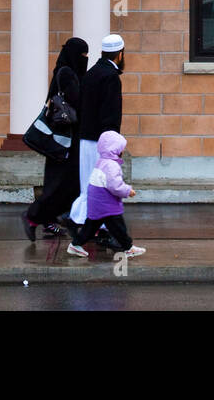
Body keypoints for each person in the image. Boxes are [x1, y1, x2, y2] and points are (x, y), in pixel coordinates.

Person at [57, 32, 125, 237]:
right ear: (119, 55)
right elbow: (110, 115)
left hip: (86, 138)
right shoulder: (111, 77)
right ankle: (101, 229)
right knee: (102, 186)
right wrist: (113, 146)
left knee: (88, 184)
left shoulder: (92, 72)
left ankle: (79, 219)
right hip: (101, 141)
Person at [22, 37, 88, 241]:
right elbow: (77, 101)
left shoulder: (65, 71)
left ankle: (49, 220)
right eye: (83, 55)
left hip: (63, 140)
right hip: (65, 141)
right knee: (61, 184)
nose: (85, 59)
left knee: (62, 184)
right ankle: (33, 217)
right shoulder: (67, 73)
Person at [66, 130, 145, 258]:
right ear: (115, 150)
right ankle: (128, 247)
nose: (123, 151)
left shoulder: (101, 161)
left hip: (96, 201)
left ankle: (75, 244)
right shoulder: (111, 165)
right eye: (121, 149)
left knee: (90, 227)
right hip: (106, 204)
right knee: (119, 228)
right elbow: (115, 185)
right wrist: (128, 190)